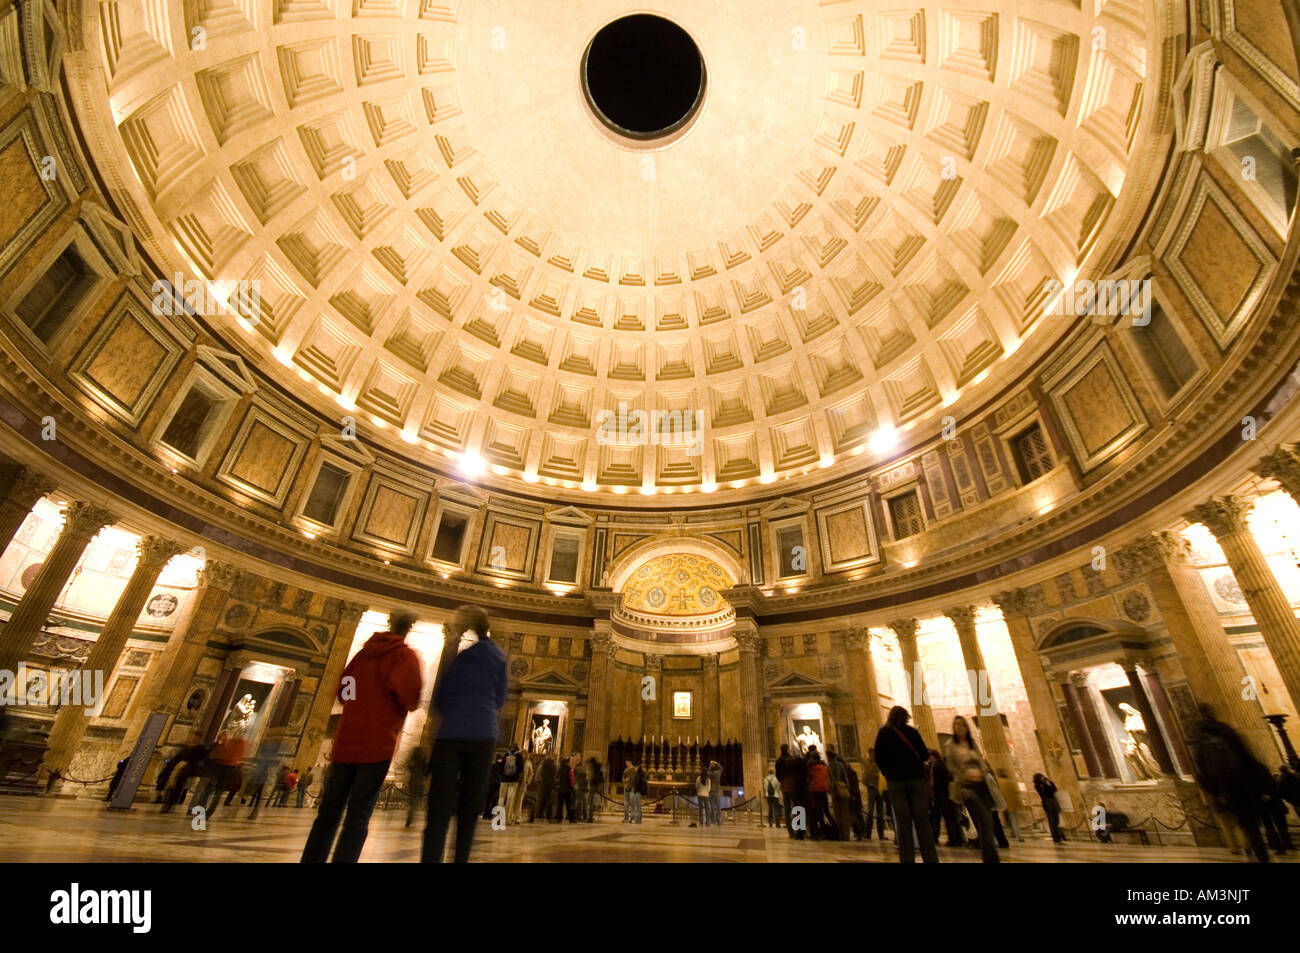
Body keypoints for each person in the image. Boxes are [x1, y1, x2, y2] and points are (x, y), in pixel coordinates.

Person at [301, 609, 422, 862]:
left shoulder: (364, 655)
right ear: (409, 628)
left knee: (328, 813)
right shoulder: (403, 656)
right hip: (377, 744)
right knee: (358, 815)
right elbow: (411, 698)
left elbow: (344, 691)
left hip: (346, 742)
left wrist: (359, 703)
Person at [422, 605, 508, 863]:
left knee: (439, 808)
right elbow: (501, 698)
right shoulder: (497, 656)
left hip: (451, 736)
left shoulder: (459, 657)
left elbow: (440, 696)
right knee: (470, 809)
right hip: (483, 735)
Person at [1191, 704, 1271, 863]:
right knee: (1252, 824)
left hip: (1225, 790)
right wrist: (1262, 785)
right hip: (1245, 784)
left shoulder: (1199, 739)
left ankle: (1243, 846)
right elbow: (1247, 757)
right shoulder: (1226, 731)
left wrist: (1215, 793)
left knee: (1238, 822)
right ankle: (1259, 851)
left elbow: (1201, 770)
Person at [874, 706, 939, 863]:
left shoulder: (883, 733)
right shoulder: (912, 732)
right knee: (922, 822)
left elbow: (879, 758)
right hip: (916, 781)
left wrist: (888, 773)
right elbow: (924, 754)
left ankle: (907, 860)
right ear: (906, 717)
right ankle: (931, 859)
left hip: (896, 783)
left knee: (903, 825)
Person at [944, 715, 999, 864]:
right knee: (984, 819)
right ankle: (991, 858)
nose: (958, 727)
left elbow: (981, 760)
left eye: (961, 724)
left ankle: (989, 856)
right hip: (967, 788)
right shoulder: (950, 745)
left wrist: (983, 771)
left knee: (987, 822)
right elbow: (951, 767)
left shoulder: (972, 743)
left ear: (966, 727)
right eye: (955, 724)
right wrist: (964, 776)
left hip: (982, 785)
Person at [930, 749, 963, 847]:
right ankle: (958, 839)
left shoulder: (937, 767)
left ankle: (953, 840)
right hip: (948, 794)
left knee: (948, 818)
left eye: (930, 757)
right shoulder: (944, 765)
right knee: (952, 818)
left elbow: (936, 783)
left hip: (941, 795)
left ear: (934, 756)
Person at [805, 748, 833, 839]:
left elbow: (808, 778)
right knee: (826, 810)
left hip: (815, 790)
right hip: (824, 789)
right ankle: (834, 827)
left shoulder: (811, 768)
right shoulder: (824, 766)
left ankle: (820, 831)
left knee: (817, 811)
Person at [860, 747, 887, 841]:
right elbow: (864, 776)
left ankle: (881, 833)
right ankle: (868, 833)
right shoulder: (865, 763)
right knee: (870, 812)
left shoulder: (878, 762)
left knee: (880, 812)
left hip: (879, 788)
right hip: (871, 788)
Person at [1033, 772, 1065, 843]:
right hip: (1049, 803)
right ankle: (1056, 837)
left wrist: (1049, 782)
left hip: (1049, 803)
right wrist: (1047, 782)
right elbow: (1050, 791)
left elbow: (1054, 789)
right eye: (1041, 777)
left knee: (1054, 820)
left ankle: (1056, 836)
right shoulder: (1039, 785)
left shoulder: (1044, 784)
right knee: (1053, 821)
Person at [828, 748, 852, 840]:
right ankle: (846, 835)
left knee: (837, 813)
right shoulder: (841, 765)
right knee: (845, 813)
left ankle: (839, 833)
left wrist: (830, 790)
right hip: (843, 789)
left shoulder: (829, 766)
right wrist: (846, 789)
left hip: (834, 790)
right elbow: (846, 779)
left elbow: (829, 780)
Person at [775, 744, 798, 836]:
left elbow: (777, 775)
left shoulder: (778, 760)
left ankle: (790, 830)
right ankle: (798, 829)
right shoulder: (792, 759)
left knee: (787, 808)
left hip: (784, 785)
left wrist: (782, 781)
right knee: (796, 807)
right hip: (792, 785)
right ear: (788, 749)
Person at [498, 745, 523, 823]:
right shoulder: (519, 755)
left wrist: (502, 775)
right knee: (510, 799)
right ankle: (507, 819)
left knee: (501, 798)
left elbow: (501, 767)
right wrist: (516, 775)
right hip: (513, 780)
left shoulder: (506, 754)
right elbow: (521, 768)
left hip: (504, 780)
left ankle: (499, 817)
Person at [845, 760, 868, 840]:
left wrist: (852, 795)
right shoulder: (852, 772)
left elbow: (853, 785)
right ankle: (863, 831)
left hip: (852, 796)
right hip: (855, 796)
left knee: (854, 815)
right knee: (858, 814)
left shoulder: (849, 773)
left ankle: (859, 832)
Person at [406, 747, 427, 828]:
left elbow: (409, 767)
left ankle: (410, 814)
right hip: (420, 781)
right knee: (416, 799)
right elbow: (425, 770)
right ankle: (411, 815)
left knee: (412, 798)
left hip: (413, 780)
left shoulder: (413, 759)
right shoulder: (423, 759)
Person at [554, 751, 575, 822]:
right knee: (568, 805)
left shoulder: (559, 769)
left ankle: (558, 818)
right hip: (567, 790)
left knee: (559, 804)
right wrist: (572, 786)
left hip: (560, 789)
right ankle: (571, 819)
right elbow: (572, 779)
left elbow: (556, 778)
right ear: (567, 762)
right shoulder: (569, 770)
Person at [482, 753, 504, 821]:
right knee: (494, 800)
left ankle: (485, 815)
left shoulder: (492, 765)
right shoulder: (502, 766)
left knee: (488, 800)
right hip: (498, 783)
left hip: (490, 783)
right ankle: (490, 815)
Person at [587, 757, 604, 822]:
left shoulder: (593, 769)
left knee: (590, 803)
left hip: (593, 787)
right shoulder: (599, 769)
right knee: (597, 803)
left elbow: (591, 777)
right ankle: (598, 817)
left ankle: (590, 818)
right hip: (597, 788)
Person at [707, 759, 723, 826]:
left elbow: (708, 771)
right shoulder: (718, 773)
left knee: (712, 807)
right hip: (717, 791)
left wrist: (710, 766)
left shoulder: (710, 773)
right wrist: (716, 762)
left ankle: (712, 821)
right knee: (718, 807)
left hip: (711, 791)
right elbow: (721, 768)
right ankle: (718, 820)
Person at [574, 756, 589, 822]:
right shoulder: (584, 769)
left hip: (579, 787)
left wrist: (575, 785)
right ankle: (585, 816)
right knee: (584, 803)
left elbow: (575, 778)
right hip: (584, 788)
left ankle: (579, 816)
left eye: (576, 760)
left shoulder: (577, 769)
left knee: (579, 803)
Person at [622, 759, 637, 823]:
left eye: (627, 762)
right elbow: (623, 779)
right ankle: (626, 818)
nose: (626, 763)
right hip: (626, 788)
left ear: (630, 762)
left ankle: (632, 818)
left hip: (633, 788)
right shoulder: (625, 770)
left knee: (632, 803)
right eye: (626, 762)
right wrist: (625, 780)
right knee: (626, 803)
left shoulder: (635, 769)